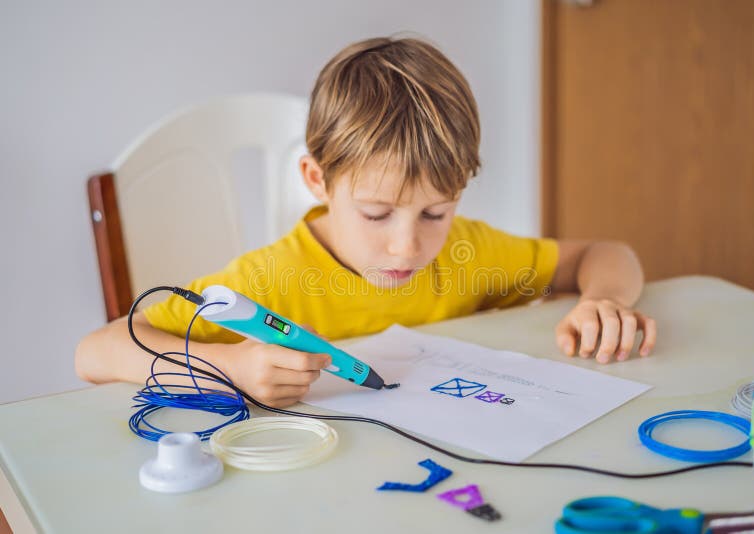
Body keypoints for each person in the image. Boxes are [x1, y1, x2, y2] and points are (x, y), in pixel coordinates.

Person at [75, 36, 656, 408]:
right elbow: (98, 352)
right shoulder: (274, 282)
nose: (407, 246)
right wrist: (229, 365)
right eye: (376, 213)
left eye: (435, 211)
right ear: (316, 180)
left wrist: (603, 300)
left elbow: (605, 255)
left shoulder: (469, 254)